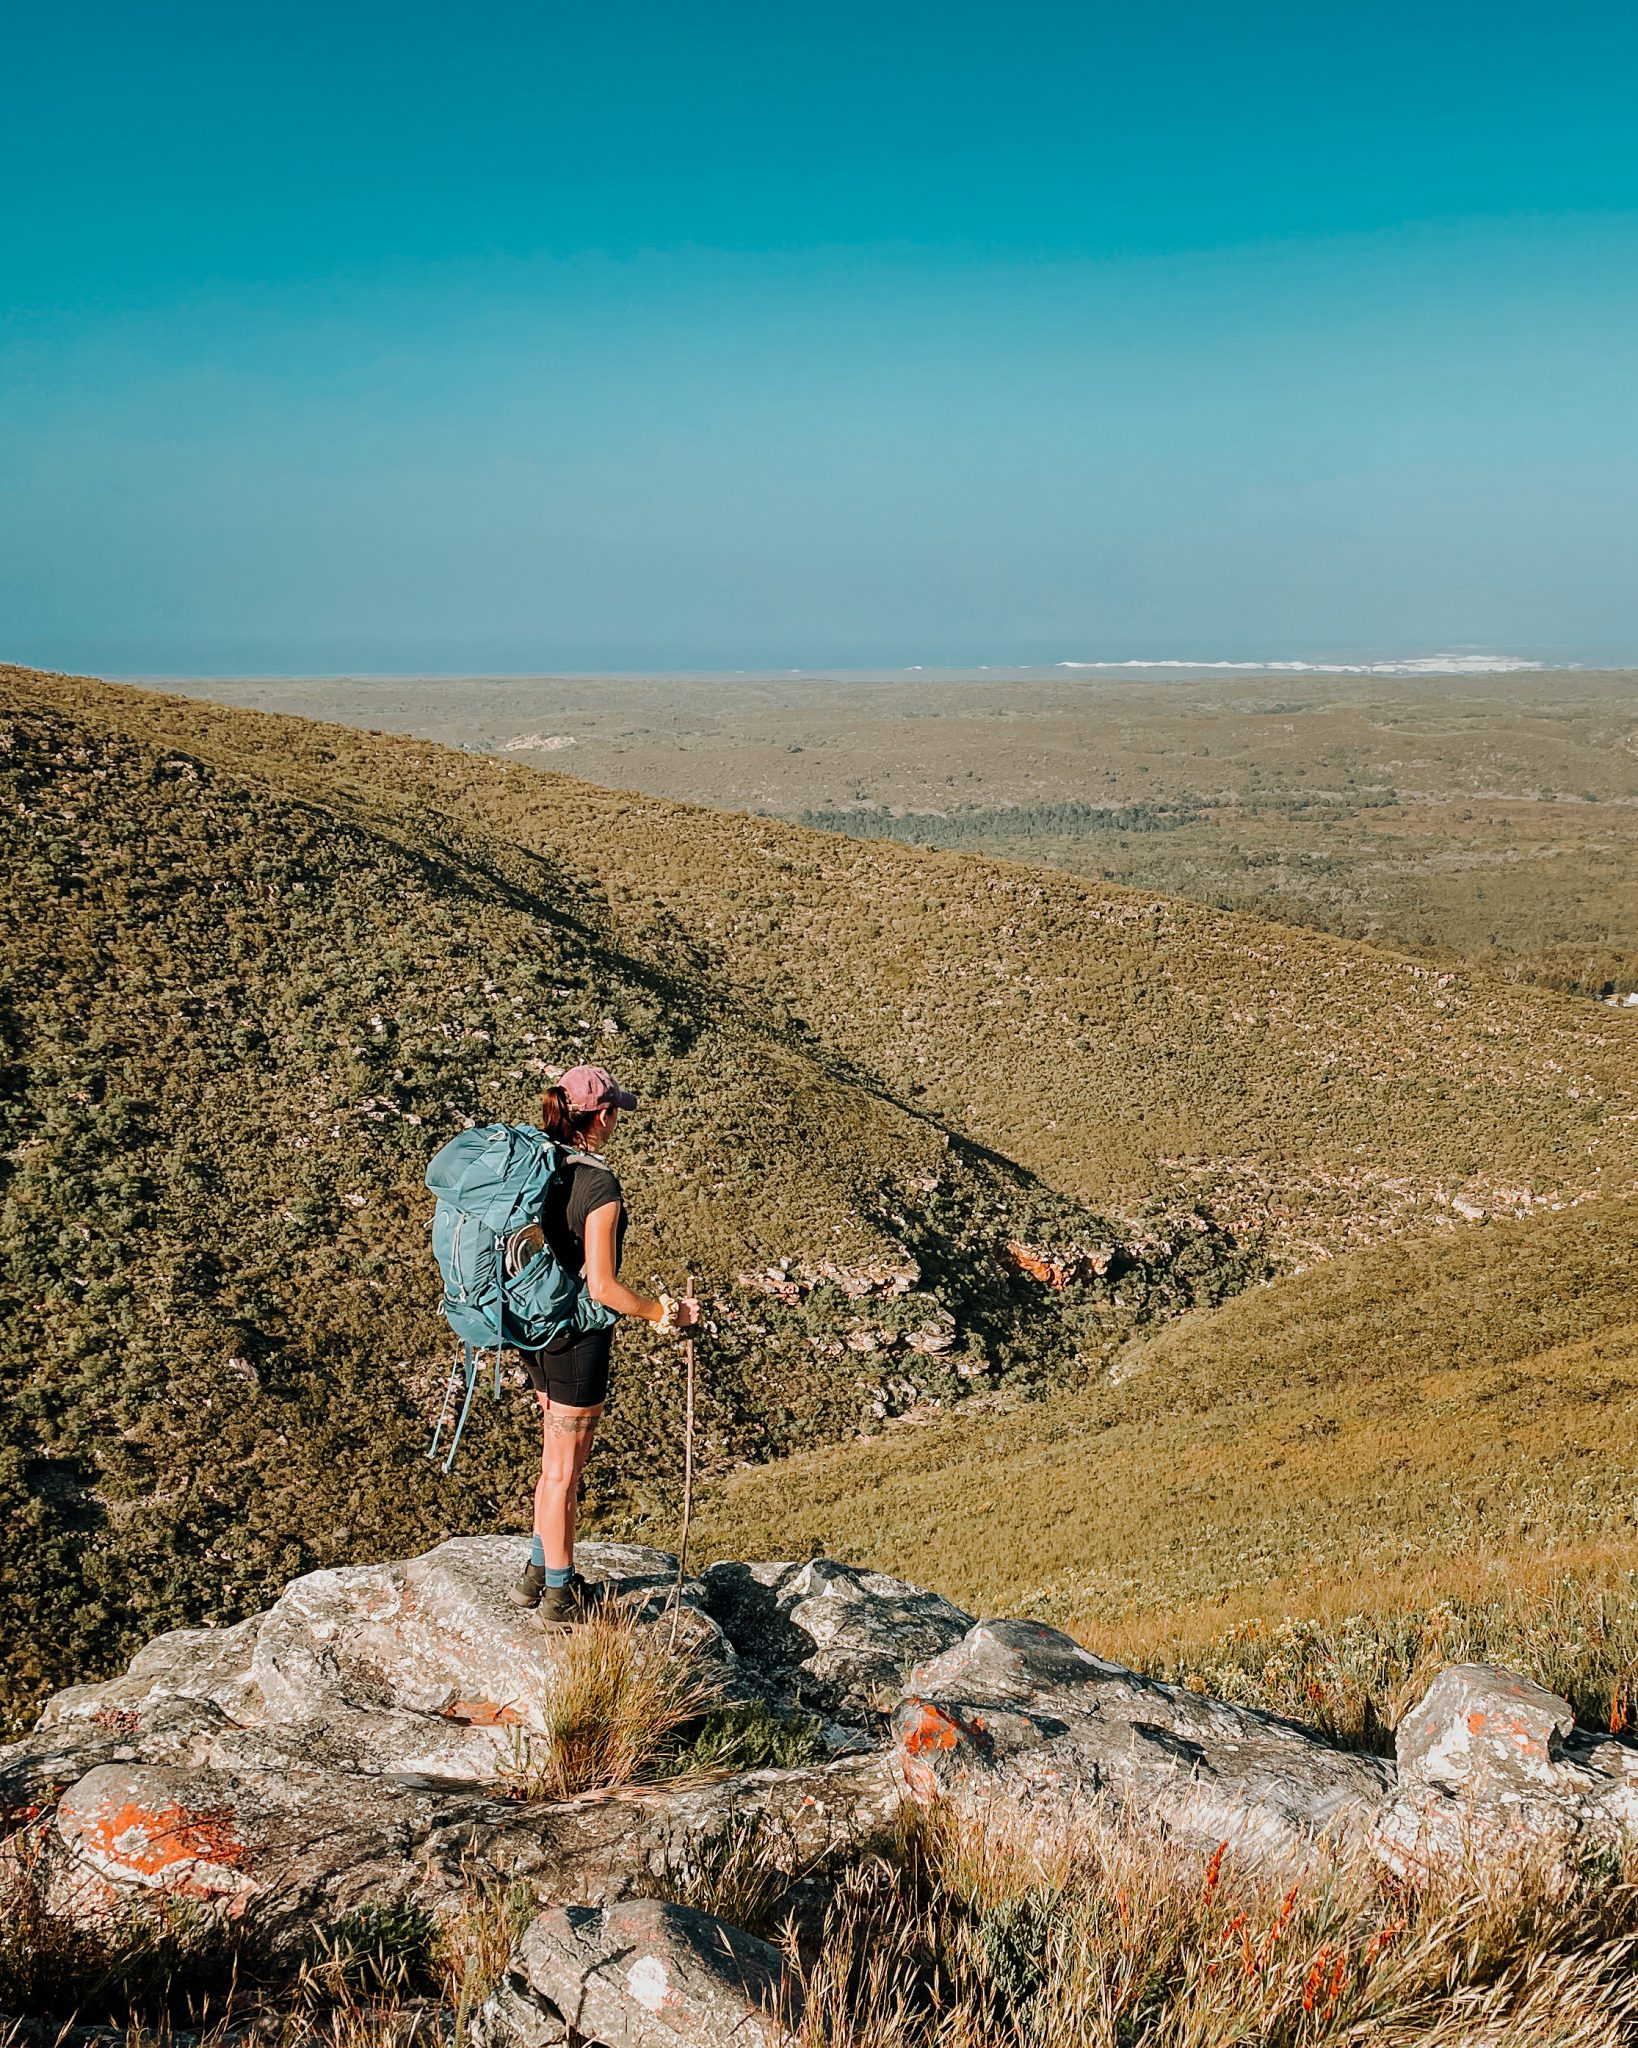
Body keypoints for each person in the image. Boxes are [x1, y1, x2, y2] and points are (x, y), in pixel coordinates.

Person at [509, 1063, 698, 1628]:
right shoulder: (599, 1185)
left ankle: (538, 1573)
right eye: (615, 1111)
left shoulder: (537, 1166)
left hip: (535, 1328)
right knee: (566, 1469)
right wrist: (661, 1312)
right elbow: (603, 1285)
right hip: (578, 1336)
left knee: (553, 1463)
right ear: (604, 1115)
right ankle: (561, 1598)